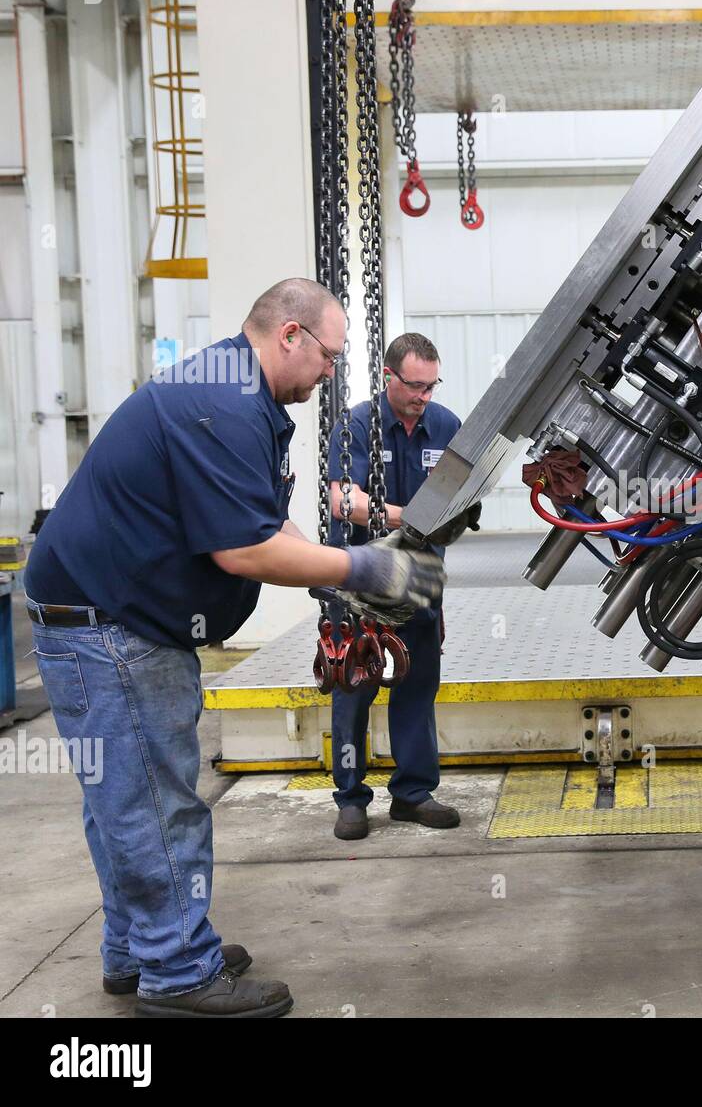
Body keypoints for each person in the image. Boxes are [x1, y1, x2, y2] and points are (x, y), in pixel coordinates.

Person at [23, 279, 444, 1018]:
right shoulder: (220, 404)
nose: (329, 374)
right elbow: (243, 550)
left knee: (125, 797)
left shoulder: (243, 396)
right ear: (289, 335)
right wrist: (367, 566)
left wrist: (336, 580)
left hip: (116, 615)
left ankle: (139, 947)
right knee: (156, 800)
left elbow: (267, 526)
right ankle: (178, 972)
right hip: (109, 624)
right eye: (328, 357)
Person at [328, 332, 473, 841]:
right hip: (361, 576)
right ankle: (350, 798)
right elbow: (342, 501)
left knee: (417, 684)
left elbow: (455, 504)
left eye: (432, 386)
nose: (423, 396)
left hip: (421, 580)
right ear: (389, 376)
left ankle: (412, 794)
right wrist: (409, 518)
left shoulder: (446, 425)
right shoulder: (356, 424)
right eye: (415, 385)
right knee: (355, 687)